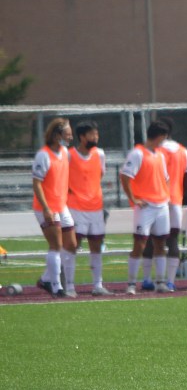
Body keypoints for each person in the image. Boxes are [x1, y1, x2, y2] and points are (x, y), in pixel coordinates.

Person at [139, 117, 187, 290]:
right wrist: (180, 194)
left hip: (154, 200)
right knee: (172, 241)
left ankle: (147, 279)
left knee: (150, 240)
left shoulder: (153, 150)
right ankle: (170, 281)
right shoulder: (183, 151)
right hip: (174, 200)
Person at [120, 121, 172, 295]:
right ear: (160, 136)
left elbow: (165, 178)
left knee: (160, 243)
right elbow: (125, 176)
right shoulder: (137, 153)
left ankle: (160, 282)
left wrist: (166, 196)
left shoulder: (160, 155)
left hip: (161, 206)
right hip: (146, 207)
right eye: (164, 138)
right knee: (140, 244)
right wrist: (133, 198)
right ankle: (131, 284)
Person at [66, 120, 111, 296]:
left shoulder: (99, 154)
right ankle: (69, 286)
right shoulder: (69, 155)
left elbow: (100, 174)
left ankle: (98, 285)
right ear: (82, 137)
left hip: (96, 207)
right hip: (75, 208)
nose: (96, 137)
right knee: (72, 246)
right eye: (92, 134)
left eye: (96, 134)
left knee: (96, 246)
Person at [31, 118, 75, 297]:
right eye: (68, 134)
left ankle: (46, 278)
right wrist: (46, 208)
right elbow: (37, 183)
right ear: (57, 135)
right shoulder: (43, 155)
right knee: (56, 245)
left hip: (61, 205)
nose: (71, 137)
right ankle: (56, 286)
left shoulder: (64, 152)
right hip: (46, 207)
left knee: (71, 244)